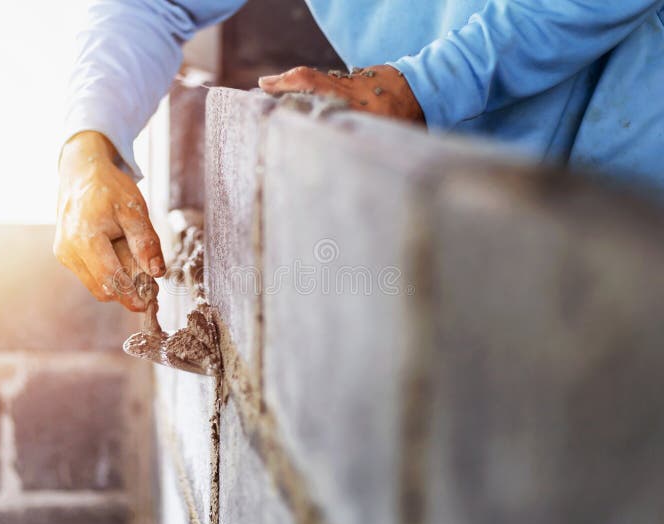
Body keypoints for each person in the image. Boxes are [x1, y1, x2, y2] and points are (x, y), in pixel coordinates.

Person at [55, 0, 664, 310]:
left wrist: (423, 86)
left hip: (631, 167)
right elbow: (148, 7)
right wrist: (89, 147)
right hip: (484, 209)